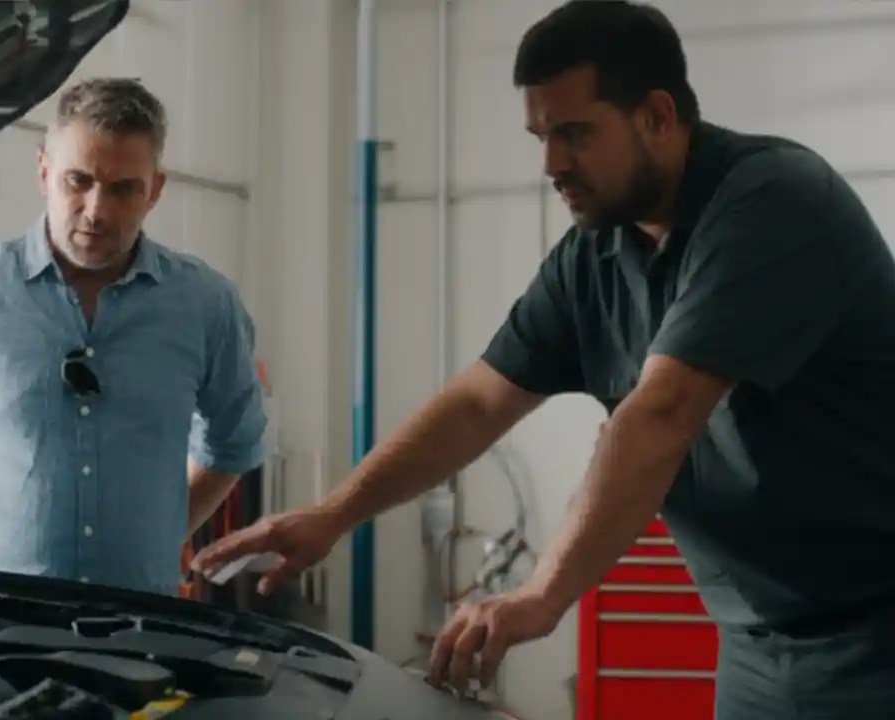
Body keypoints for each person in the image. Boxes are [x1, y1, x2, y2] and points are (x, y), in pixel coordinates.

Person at [192, 2, 895, 716]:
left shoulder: (772, 203)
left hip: (877, 630)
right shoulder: (596, 255)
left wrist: (543, 593)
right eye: (541, 136)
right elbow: (479, 402)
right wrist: (332, 515)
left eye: (575, 134)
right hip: (757, 640)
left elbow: (662, 411)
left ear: (656, 115)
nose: (552, 164)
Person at [0, 77, 266, 597]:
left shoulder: (207, 305)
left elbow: (233, 443)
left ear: (155, 189)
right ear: (43, 172)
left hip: (138, 613)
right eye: (78, 180)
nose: (96, 209)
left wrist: (162, 532)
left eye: (123, 188)